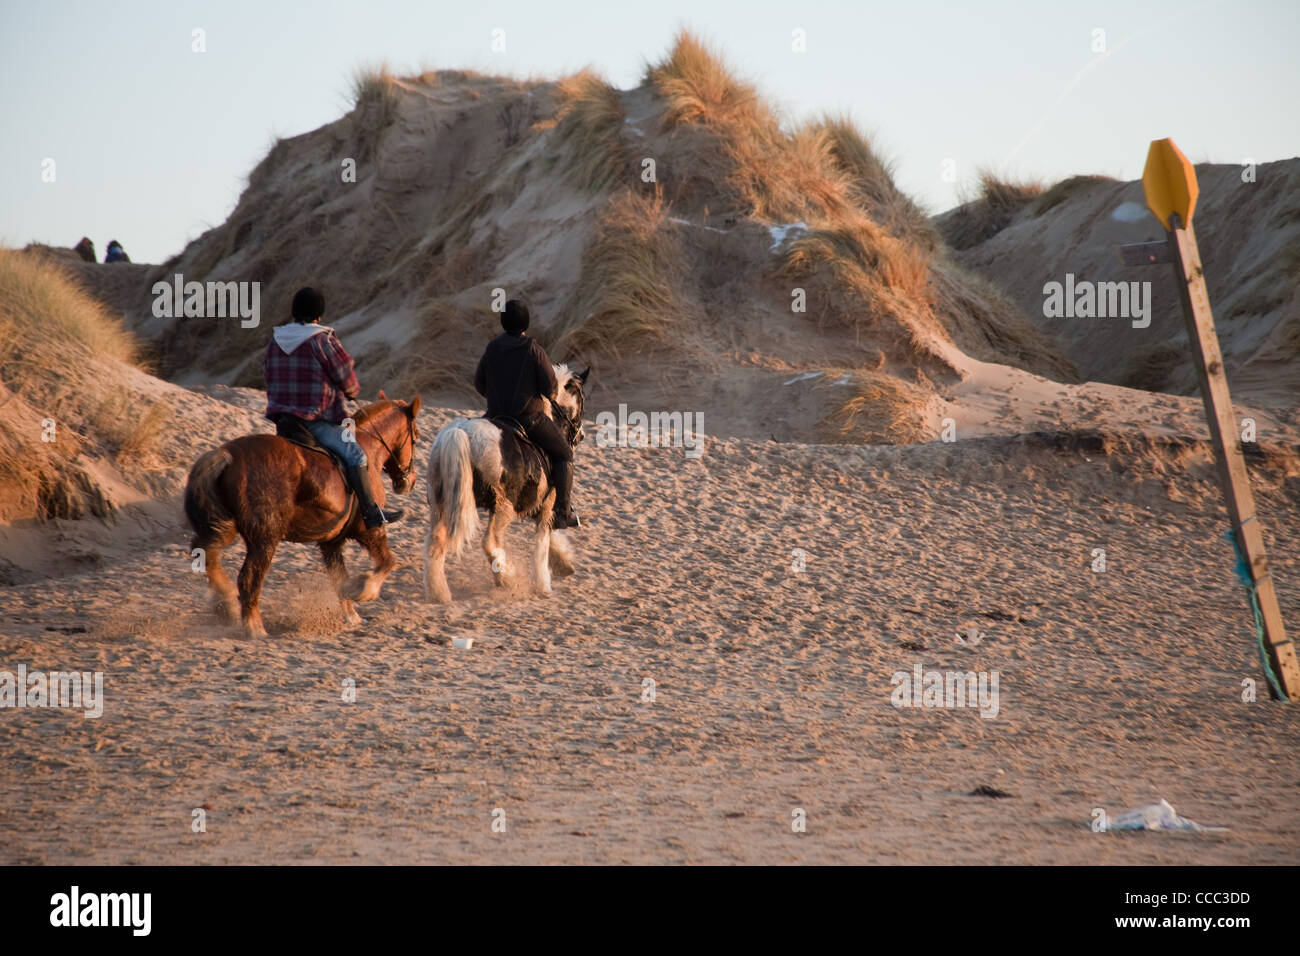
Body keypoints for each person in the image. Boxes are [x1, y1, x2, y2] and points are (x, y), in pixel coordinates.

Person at [264, 287, 402, 528]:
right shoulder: (322, 339)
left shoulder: (276, 340)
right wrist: (351, 391)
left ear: (295, 312)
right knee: (356, 455)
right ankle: (371, 513)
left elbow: (268, 376)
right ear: (318, 315)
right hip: (314, 420)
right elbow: (346, 376)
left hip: (283, 420)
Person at [474, 299, 581, 529]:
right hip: (528, 419)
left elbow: (479, 385)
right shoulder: (533, 348)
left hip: (494, 418)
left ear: (503, 323)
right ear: (526, 324)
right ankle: (562, 512)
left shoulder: (492, 347)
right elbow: (552, 390)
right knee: (564, 454)